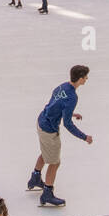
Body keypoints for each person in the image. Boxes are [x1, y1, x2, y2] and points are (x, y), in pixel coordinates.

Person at [26, 65, 92, 208]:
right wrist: (84, 136)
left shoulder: (61, 87)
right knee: (55, 162)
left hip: (41, 120)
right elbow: (67, 124)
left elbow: (54, 104)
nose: (87, 79)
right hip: (49, 129)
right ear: (80, 79)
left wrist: (71, 113)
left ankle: (35, 178)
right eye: (85, 77)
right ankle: (47, 193)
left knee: (46, 151)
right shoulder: (72, 97)